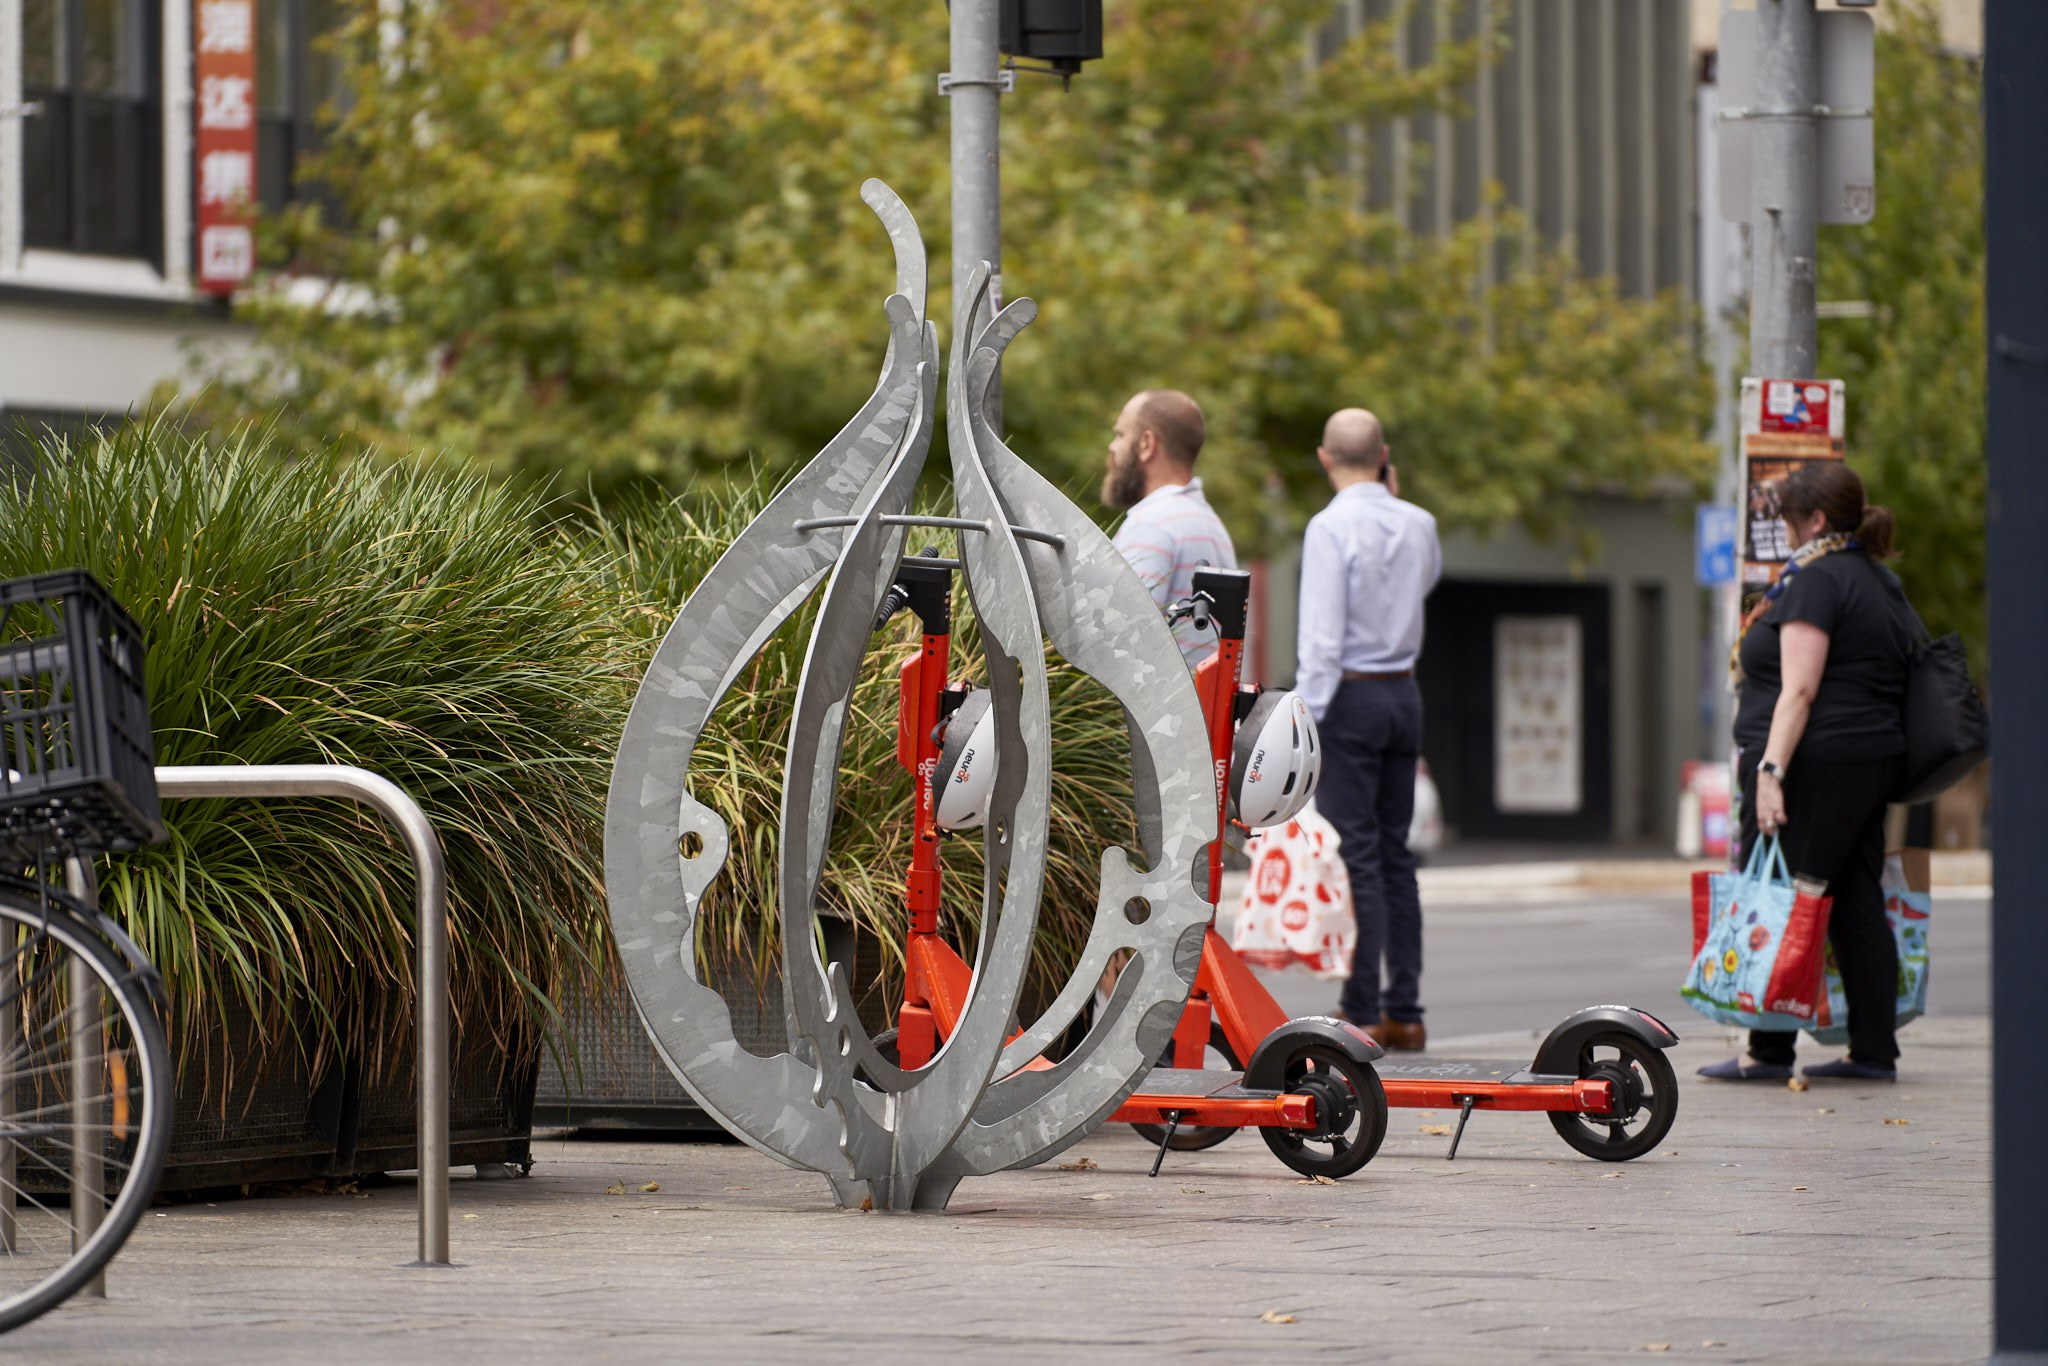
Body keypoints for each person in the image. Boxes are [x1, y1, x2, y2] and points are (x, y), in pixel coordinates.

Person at [1702, 462, 1915, 1083]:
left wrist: (1770, 770)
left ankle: (1767, 1051)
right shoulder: (1880, 581)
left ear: (1816, 520)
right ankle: (1872, 1051)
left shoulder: (1816, 583)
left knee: (1781, 896)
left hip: (1815, 763)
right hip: (1870, 760)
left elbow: (1799, 690)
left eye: (1790, 521)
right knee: (1852, 897)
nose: (1786, 533)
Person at [1295, 408, 1441, 1051]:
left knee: (1356, 853)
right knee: (1395, 854)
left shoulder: (1329, 528)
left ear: (1326, 459)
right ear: (1384, 455)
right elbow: (1424, 584)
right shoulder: (1420, 523)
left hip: (1350, 697)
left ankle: (1361, 1006)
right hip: (1403, 693)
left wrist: (1308, 718)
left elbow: (1323, 639)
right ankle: (1405, 1008)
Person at [1103, 389, 1236, 667]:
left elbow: (1120, 641)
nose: (1112, 447)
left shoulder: (1152, 523)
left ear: (1146, 444)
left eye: (1121, 435)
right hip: (1202, 707)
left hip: (1156, 709)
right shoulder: (1210, 523)